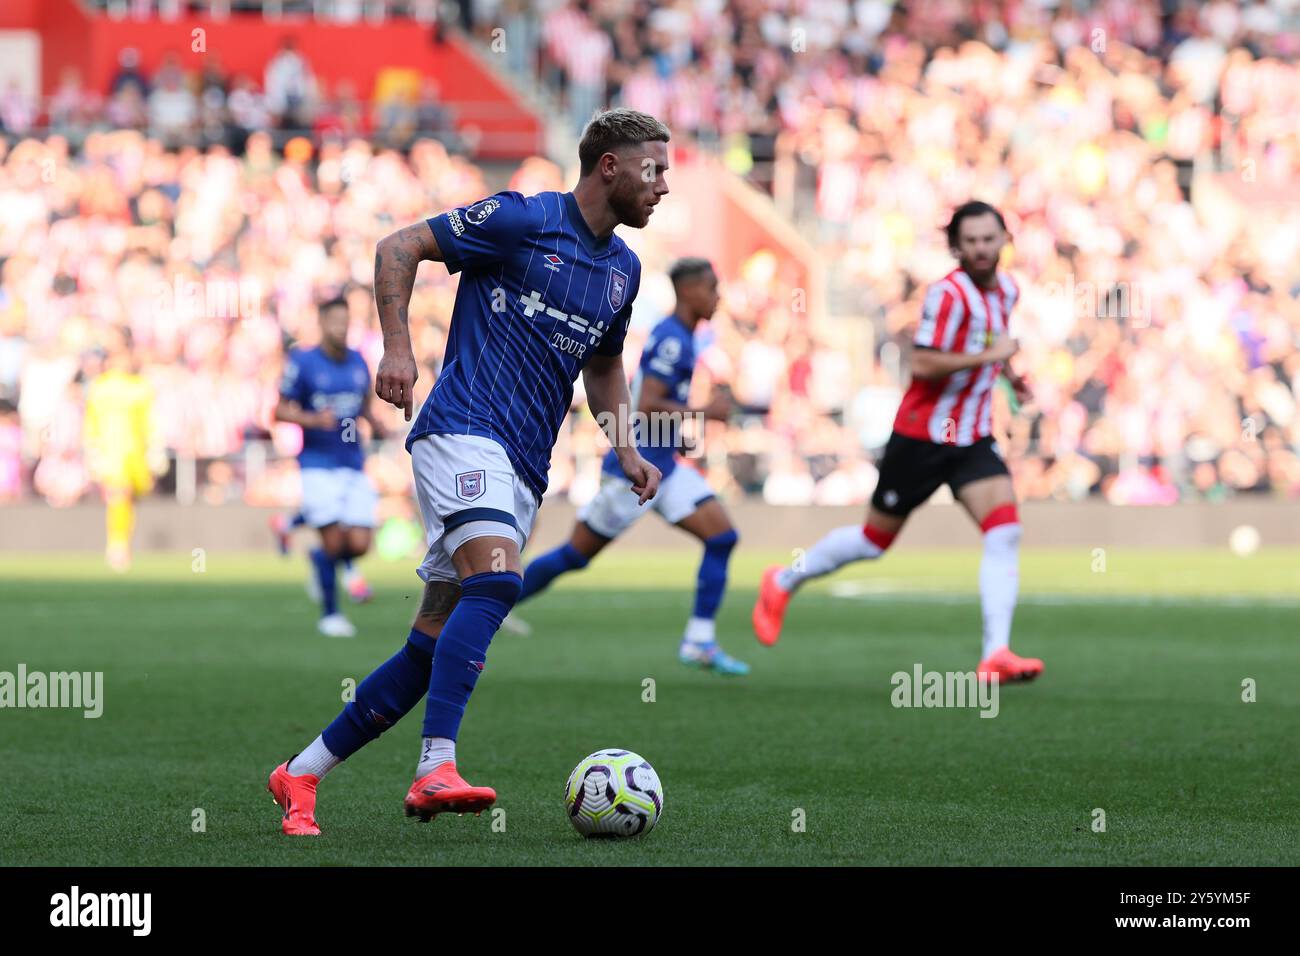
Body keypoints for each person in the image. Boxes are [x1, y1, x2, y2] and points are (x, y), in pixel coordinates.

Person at [267, 108, 670, 835]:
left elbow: (605, 364)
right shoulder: (522, 219)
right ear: (609, 165)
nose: (664, 186)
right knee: (499, 581)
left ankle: (300, 773)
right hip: (462, 430)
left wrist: (627, 447)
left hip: (522, 464)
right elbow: (400, 247)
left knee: (429, 645)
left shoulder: (624, 271)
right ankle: (435, 767)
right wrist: (396, 348)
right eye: (655, 169)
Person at [752, 201, 1044, 684]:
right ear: (956, 246)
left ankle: (996, 654)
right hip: (922, 437)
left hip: (971, 437)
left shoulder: (1008, 290)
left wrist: (1011, 377)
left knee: (1005, 531)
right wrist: (991, 355)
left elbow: (996, 344)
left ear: (1004, 241)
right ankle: (783, 580)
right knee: (873, 542)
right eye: (970, 240)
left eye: (989, 239)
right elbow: (924, 364)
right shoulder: (946, 295)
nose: (980, 248)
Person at [514, 257, 748, 674]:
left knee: (723, 538)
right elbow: (646, 403)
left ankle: (699, 641)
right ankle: (490, 601)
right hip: (634, 471)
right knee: (574, 556)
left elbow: (655, 407)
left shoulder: (685, 336)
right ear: (690, 291)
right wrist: (703, 410)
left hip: (665, 467)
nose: (718, 297)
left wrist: (680, 434)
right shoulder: (672, 338)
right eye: (712, 288)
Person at [274, 297, 386, 638]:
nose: (341, 327)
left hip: (352, 461)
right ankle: (330, 615)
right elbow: (278, 411)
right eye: (335, 321)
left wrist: (374, 422)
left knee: (361, 544)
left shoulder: (357, 361)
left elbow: (362, 404)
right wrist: (310, 418)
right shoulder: (304, 361)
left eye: (345, 321)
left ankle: (317, 556)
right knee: (336, 543)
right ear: (321, 322)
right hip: (317, 463)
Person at [83, 329, 160, 572]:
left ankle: (122, 543)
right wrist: (93, 450)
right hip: (111, 452)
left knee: (128, 499)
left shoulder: (141, 387)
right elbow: (91, 423)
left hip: (135, 452)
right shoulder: (101, 387)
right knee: (118, 494)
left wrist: (154, 452)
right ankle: (116, 547)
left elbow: (152, 423)